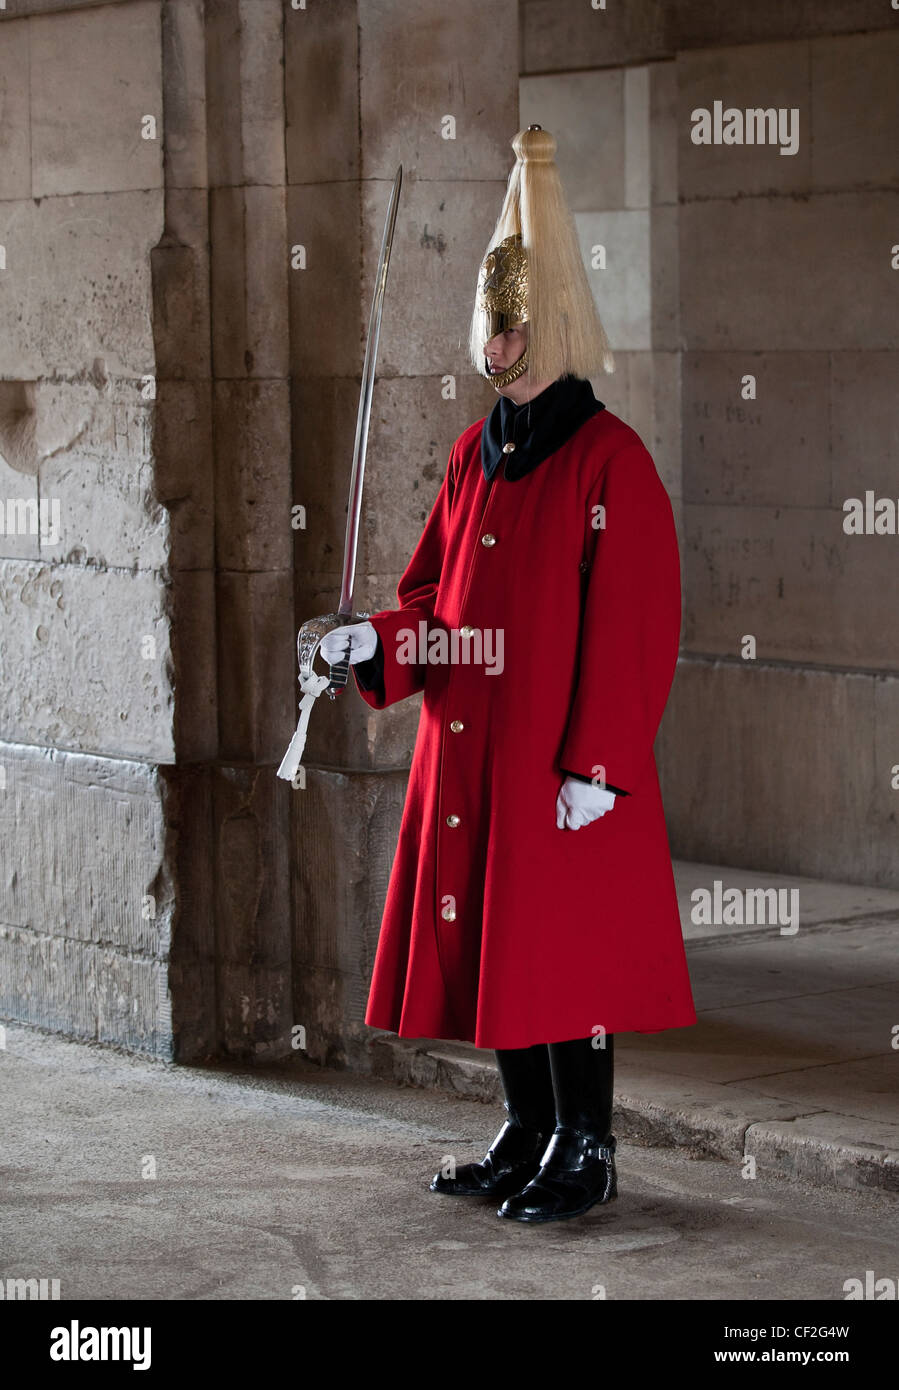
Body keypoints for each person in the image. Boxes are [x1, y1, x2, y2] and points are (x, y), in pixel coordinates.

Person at [320, 126, 697, 1224]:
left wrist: (599, 765)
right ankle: (526, 1124)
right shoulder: (467, 454)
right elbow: (433, 601)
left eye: (517, 320)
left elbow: (634, 626)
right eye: (492, 319)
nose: (500, 338)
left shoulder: (609, 461)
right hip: (468, 741)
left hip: (559, 759)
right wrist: (376, 645)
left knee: (562, 952)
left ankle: (588, 1140)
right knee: (492, 937)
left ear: (557, 324)